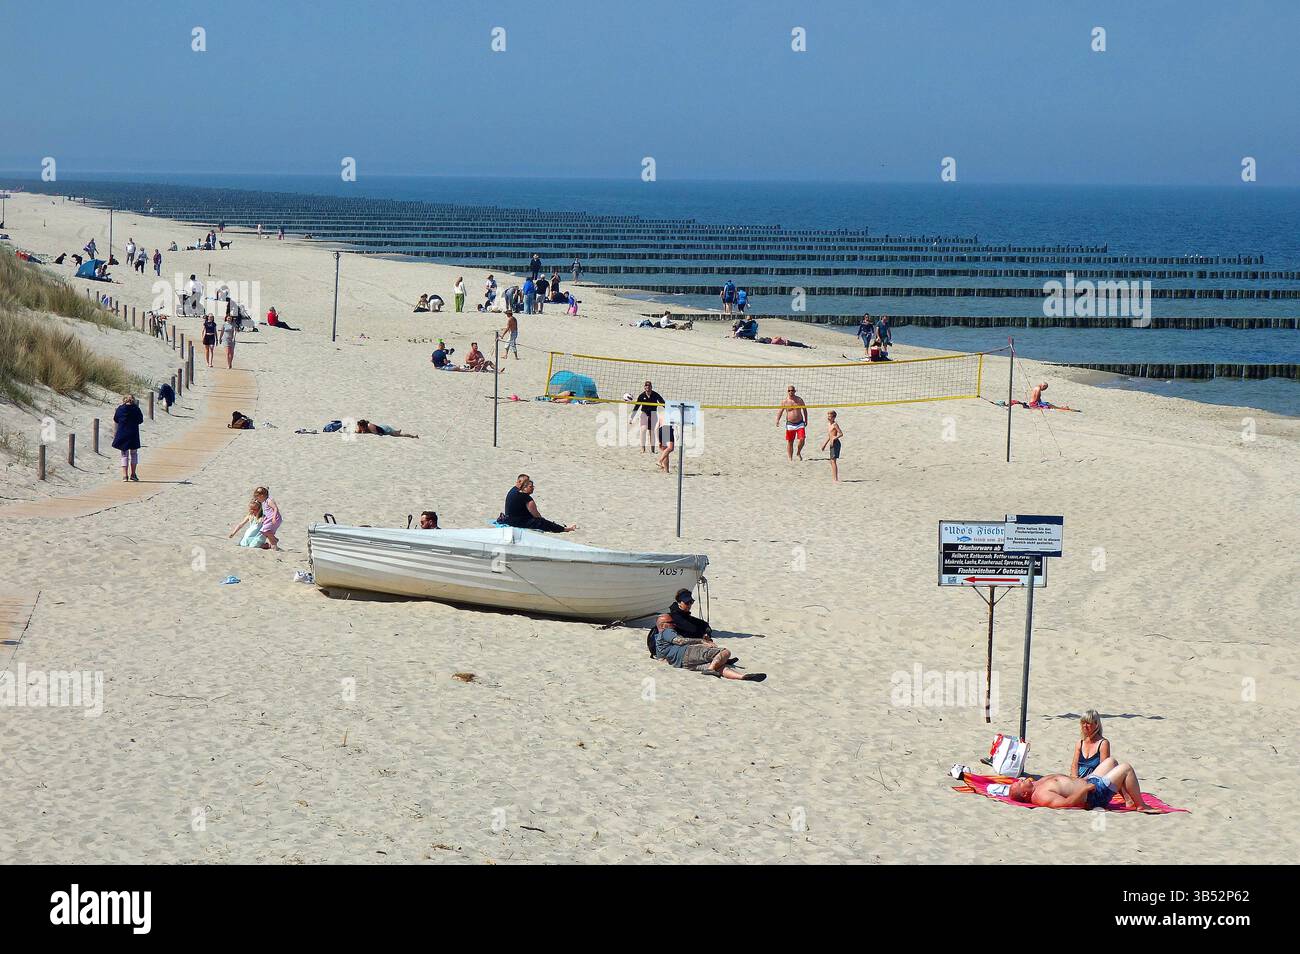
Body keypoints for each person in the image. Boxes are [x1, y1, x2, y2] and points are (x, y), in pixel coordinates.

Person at [1006, 759, 1158, 812]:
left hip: (1089, 781)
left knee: (1112, 761)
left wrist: (1083, 781)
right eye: (1019, 784)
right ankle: (1141, 805)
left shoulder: (1035, 784)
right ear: (1025, 794)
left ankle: (1128, 799)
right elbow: (1065, 804)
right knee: (1126, 768)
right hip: (1094, 794)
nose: (1019, 781)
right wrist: (1085, 788)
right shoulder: (1041, 795)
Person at [652, 614, 765, 681]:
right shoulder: (666, 632)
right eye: (671, 622)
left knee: (719, 667)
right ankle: (713, 667)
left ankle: (742, 677)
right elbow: (680, 641)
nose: (674, 624)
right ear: (663, 625)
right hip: (687, 653)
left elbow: (661, 658)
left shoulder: (658, 639)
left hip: (684, 664)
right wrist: (702, 640)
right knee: (725, 652)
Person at [502, 474, 575, 532]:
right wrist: (542, 521)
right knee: (542, 522)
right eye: (530, 486)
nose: (533, 488)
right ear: (524, 487)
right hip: (516, 522)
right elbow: (536, 515)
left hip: (508, 518)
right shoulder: (527, 499)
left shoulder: (513, 490)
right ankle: (566, 529)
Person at [111, 394, 144, 482]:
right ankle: (133, 474)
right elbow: (140, 420)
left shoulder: (120, 409)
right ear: (133, 400)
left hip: (122, 433)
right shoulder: (136, 409)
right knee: (134, 454)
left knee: (124, 455)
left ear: (124, 400)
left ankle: (125, 475)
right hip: (133, 433)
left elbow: (116, 419)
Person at [1070, 709, 1111, 779]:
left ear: (1096, 724)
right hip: (1077, 781)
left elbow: (1104, 769)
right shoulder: (1080, 743)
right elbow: (1074, 765)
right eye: (1083, 722)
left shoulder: (1103, 744)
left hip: (1094, 781)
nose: (1085, 726)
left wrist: (1084, 780)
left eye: (1088, 723)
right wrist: (1075, 779)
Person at [631, 381, 664, 453]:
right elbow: (637, 406)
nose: (647, 387)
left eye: (649, 386)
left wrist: (668, 411)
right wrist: (632, 417)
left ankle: (652, 450)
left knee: (652, 432)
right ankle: (643, 449)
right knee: (643, 430)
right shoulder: (641, 396)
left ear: (651, 387)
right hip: (644, 414)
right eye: (646, 386)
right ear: (644, 387)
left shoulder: (655, 395)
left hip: (653, 414)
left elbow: (663, 402)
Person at [776, 385, 808, 461]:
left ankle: (798, 452)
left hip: (800, 422)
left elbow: (804, 410)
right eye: (789, 391)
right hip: (790, 424)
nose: (791, 392)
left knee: (802, 439)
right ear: (787, 391)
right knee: (790, 442)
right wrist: (777, 420)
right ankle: (790, 458)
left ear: (795, 391)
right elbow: (780, 411)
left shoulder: (799, 400)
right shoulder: (785, 401)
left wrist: (806, 419)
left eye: (792, 390)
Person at [251, 486, 281, 550]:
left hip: (274, 518)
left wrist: (274, 517)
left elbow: (275, 508)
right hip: (269, 518)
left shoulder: (269, 501)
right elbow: (267, 511)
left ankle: (275, 539)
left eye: (257, 497)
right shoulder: (264, 501)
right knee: (268, 532)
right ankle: (274, 546)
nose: (257, 499)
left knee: (265, 530)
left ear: (262, 496)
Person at [821, 410, 843, 482]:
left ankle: (835, 479)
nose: (828, 417)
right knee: (831, 461)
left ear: (834, 417)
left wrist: (835, 437)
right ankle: (834, 478)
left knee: (833, 461)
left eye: (830, 416)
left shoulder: (835, 424)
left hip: (836, 443)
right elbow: (829, 435)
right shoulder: (829, 424)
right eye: (828, 416)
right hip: (831, 444)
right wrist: (824, 444)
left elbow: (841, 434)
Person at [355, 419, 419, 438]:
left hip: (385, 430)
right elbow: (358, 432)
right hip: (381, 426)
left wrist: (367, 432)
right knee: (396, 433)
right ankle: (396, 431)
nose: (359, 428)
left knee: (398, 435)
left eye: (360, 427)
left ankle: (413, 436)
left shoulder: (370, 427)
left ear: (364, 426)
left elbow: (379, 434)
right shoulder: (362, 426)